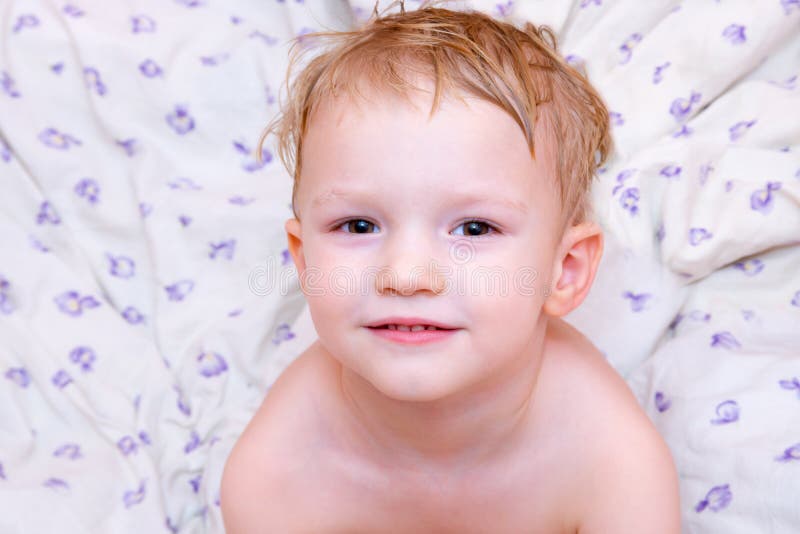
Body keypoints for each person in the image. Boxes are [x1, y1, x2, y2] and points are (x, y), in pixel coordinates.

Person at [221, 2, 681, 532]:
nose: (407, 275)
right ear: (305, 262)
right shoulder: (275, 475)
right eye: (358, 226)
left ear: (566, 270)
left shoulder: (611, 461)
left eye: (474, 229)